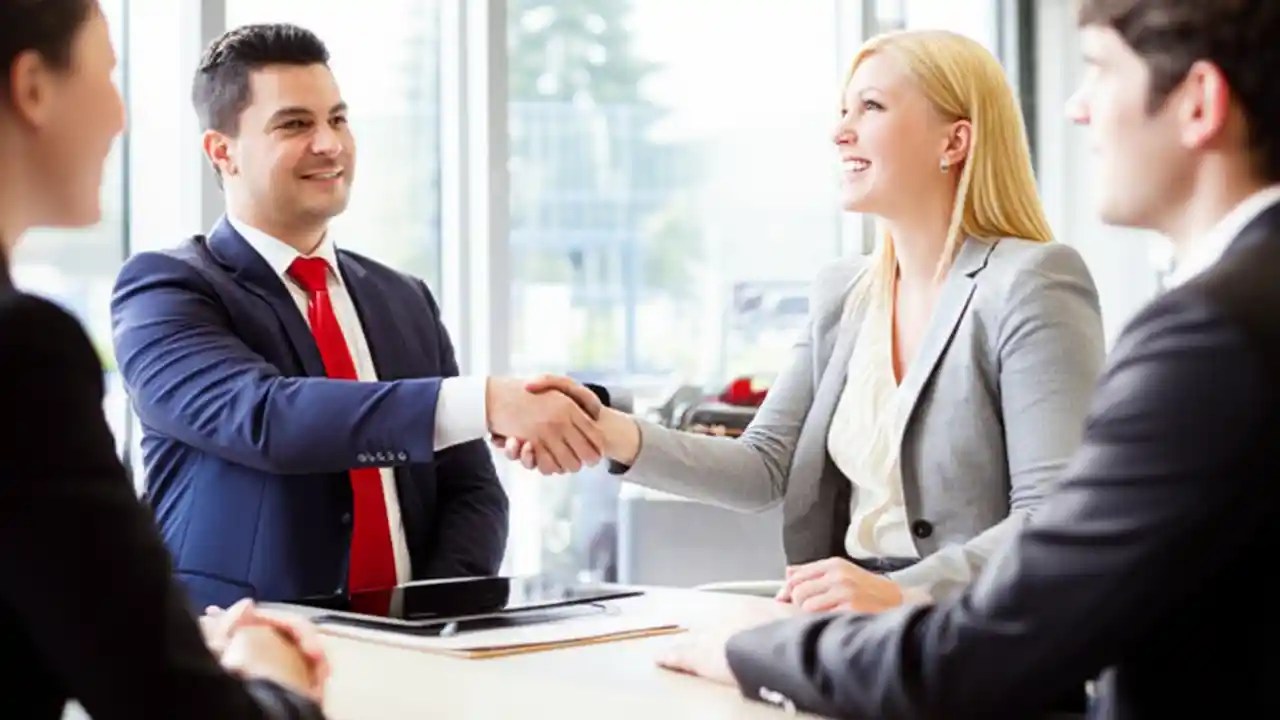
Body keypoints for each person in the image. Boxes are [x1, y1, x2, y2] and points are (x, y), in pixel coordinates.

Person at [657, 1, 1280, 717]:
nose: (1076, 108)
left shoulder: (1210, 335)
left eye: (1101, 72)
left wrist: (752, 649)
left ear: (1199, 102)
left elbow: (1000, 639)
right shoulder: (1234, 311)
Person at [509, 29, 1105, 612]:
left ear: (954, 142)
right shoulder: (844, 292)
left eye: (870, 106)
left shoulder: (1033, 281)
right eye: (843, 110)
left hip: (971, 618)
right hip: (843, 606)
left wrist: (904, 591)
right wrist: (601, 429)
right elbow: (763, 466)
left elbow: (1052, 512)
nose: (839, 131)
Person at [110, 22, 604, 612]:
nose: (330, 144)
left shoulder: (404, 298)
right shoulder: (166, 289)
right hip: (239, 654)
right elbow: (267, 419)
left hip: (411, 654)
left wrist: (430, 611)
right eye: (295, 124)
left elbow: (472, 489)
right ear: (223, 151)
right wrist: (490, 400)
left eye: (338, 119)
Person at [0, 1, 328, 717]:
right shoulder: (26, 356)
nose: (120, 116)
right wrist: (274, 677)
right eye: (107, 74)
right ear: (32, 88)